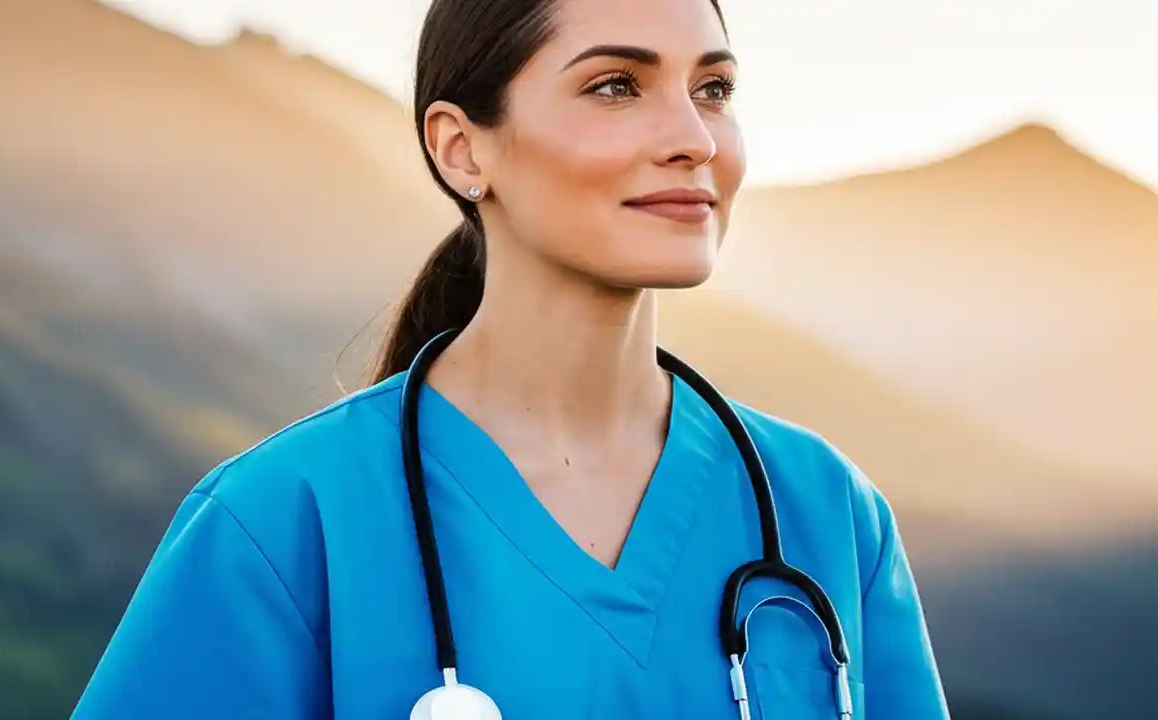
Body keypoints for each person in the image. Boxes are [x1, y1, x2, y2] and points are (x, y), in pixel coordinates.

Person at [73, 0, 951, 717]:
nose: (697, 138)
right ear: (463, 150)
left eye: (714, 89)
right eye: (617, 86)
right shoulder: (283, 523)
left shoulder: (828, 513)